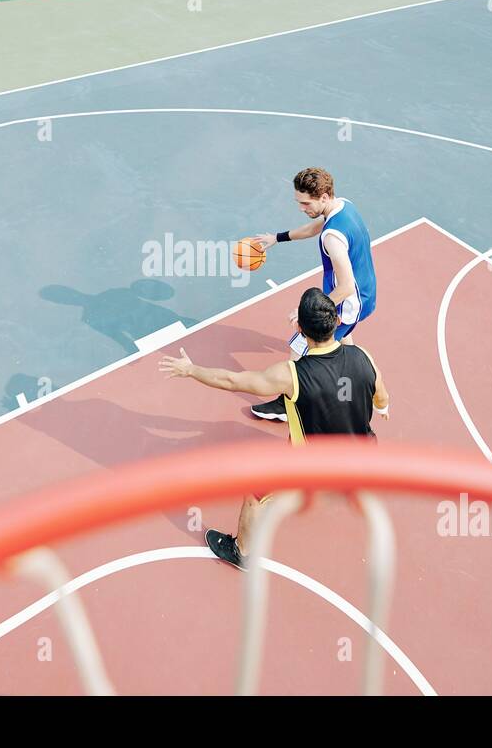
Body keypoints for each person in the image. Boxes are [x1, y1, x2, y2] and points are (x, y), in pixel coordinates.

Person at [159, 287, 390, 567]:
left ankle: (241, 552)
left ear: (301, 330)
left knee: (256, 490)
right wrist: (378, 407)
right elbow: (382, 398)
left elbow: (232, 381)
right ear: (336, 322)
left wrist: (191, 370)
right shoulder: (363, 356)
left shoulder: (290, 375)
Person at [249, 167, 377, 422]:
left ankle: (288, 405)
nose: (301, 207)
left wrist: (308, 312)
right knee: (343, 342)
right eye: (298, 202)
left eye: (306, 203)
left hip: (349, 302)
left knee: (300, 344)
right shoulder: (343, 206)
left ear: (324, 197)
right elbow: (312, 229)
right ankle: (358, 383)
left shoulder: (333, 237)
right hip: (367, 293)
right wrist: (277, 238)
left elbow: (346, 285)